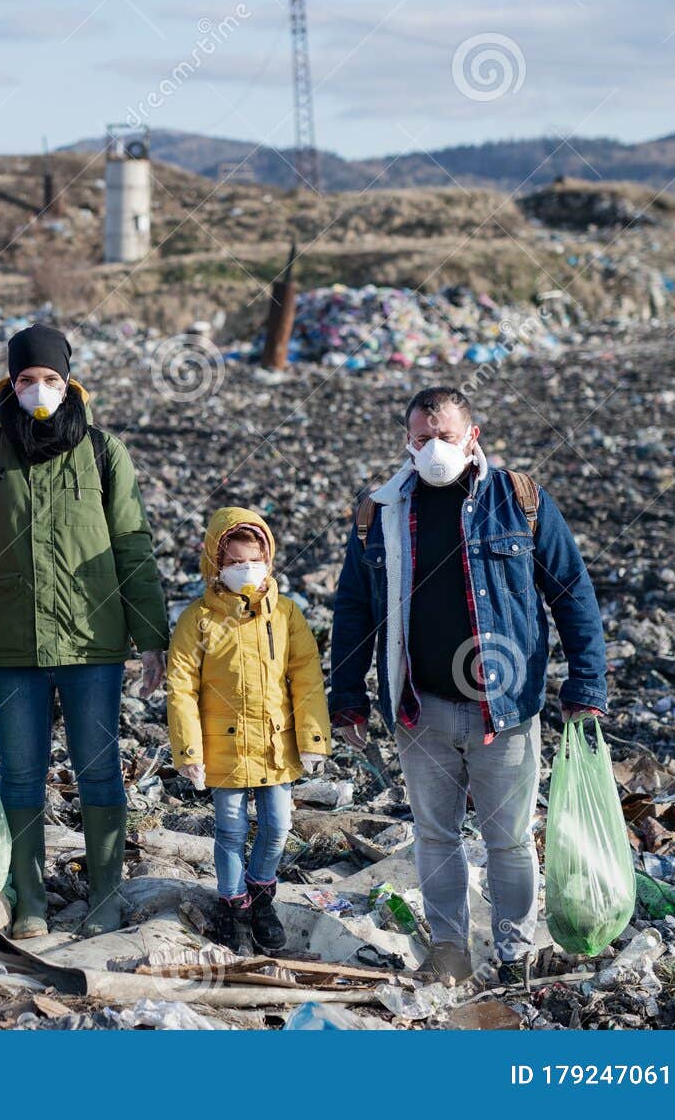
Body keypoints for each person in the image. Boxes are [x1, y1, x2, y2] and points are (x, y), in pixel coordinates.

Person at [328, 386, 607, 987]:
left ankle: (514, 953)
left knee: (508, 840)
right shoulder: (379, 511)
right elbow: (353, 606)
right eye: (422, 439)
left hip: (504, 710)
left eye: (445, 437)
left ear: (472, 436)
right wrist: (345, 693)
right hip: (419, 706)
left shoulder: (519, 500)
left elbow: (571, 592)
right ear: (407, 441)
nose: (433, 450)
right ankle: (450, 950)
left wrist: (587, 682)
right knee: (434, 836)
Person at [0, 324, 170, 939]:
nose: (39, 391)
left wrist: (151, 638)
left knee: (98, 767)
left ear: (70, 384)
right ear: (11, 384)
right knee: (20, 772)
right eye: (28, 380)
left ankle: (106, 895)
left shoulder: (102, 451)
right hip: (13, 642)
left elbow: (132, 546)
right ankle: (31, 897)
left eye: (51, 380)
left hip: (94, 640)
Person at [165, 508, 331, 955]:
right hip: (224, 749)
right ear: (216, 563)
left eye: (254, 559)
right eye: (236, 561)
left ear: (269, 560)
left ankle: (261, 894)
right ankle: (234, 907)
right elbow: (182, 687)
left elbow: (306, 677)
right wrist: (188, 752)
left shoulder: (287, 615)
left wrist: (313, 739)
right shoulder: (198, 620)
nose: (247, 569)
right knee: (231, 831)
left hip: (276, 746)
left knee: (278, 827)